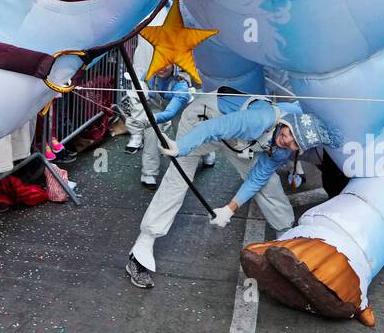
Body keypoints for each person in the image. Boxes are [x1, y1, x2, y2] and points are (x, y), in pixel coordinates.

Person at [125, 90, 300, 289]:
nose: (288, 142)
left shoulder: (283, 147)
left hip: (237, 140)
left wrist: (230, 208)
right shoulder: (259, 120)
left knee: (269, 183)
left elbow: (257, 178)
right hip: (203, 121)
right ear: (288, 123)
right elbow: (214, 127)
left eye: (296, 144)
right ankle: (141, 248)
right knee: (179, 178)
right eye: (290, 135)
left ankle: (290, 241)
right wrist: (181, 147)